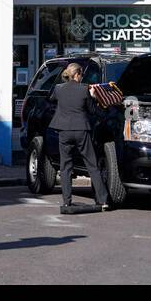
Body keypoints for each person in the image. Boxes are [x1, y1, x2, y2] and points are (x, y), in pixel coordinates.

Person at [49, 62, 111, 214]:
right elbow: (92, 111)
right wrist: (93, 97)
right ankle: (103, 200)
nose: (82, 77)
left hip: (63, 130)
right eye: (81, 74)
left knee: (65, 167)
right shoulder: (84, 89)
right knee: (92, 165)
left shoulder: (58, 88)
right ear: (77, 74)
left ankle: (66, 201)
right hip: (81, 130)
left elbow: (51, 99)